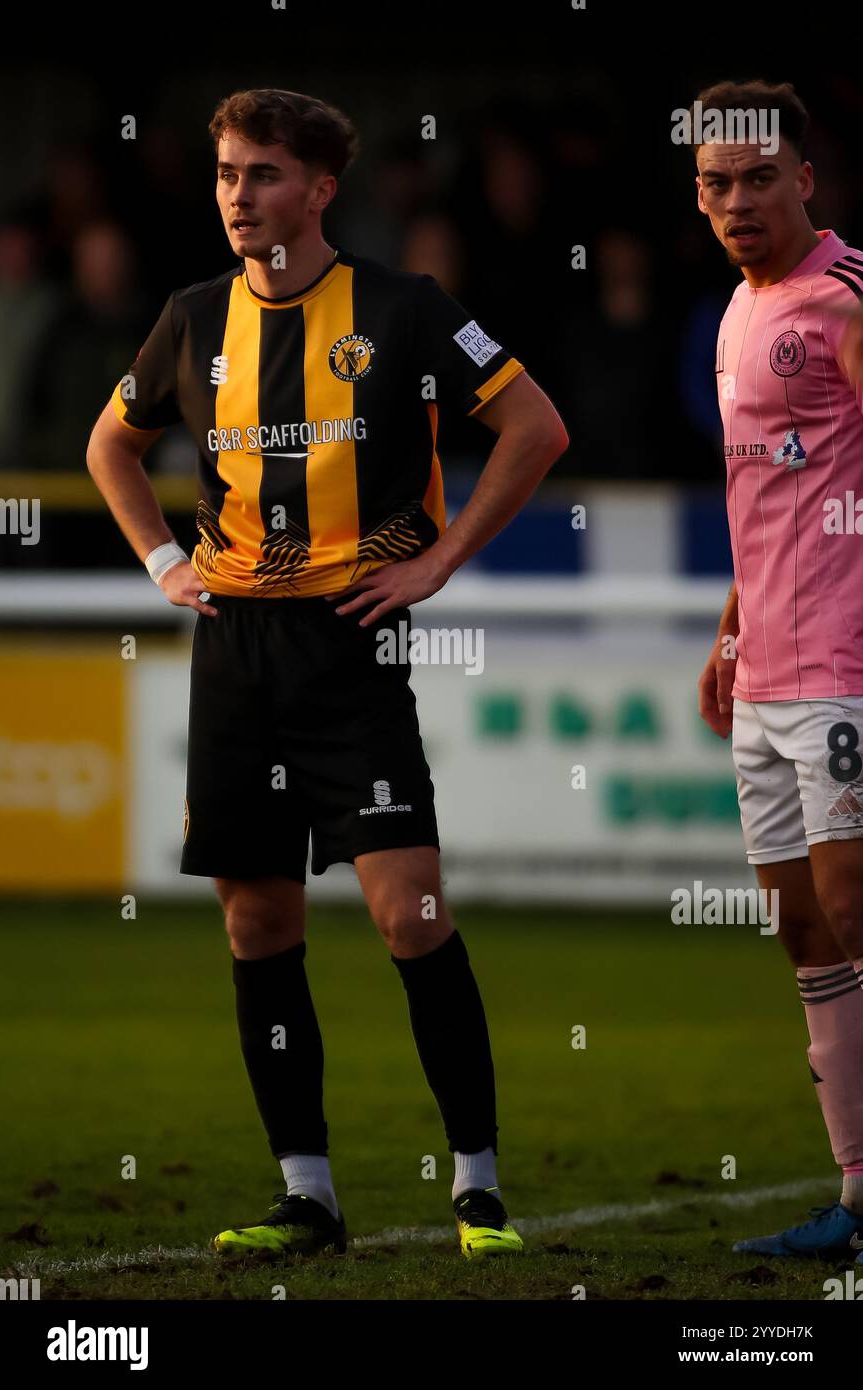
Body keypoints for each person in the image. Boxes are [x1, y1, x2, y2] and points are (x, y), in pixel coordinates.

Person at [87, 87, 568, 1262]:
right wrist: (162, 558)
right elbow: (112, 443)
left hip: (350, 640)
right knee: (257, 924)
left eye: (259, 175)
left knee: (411, 916)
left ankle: (475, 1188)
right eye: (223, 176)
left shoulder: (404, 310)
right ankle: (308, 1196)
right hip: (236, 648)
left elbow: (535, 428)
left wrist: (438, 563)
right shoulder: (193, 318)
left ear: (318, 189)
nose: (236, 197)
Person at [694, 78, 863, 1263]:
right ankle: (855, 1194)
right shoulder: (734, 310)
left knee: (856, 906)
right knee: (804, 929)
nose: (736, 201)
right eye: (713, 184)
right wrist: (728, 628)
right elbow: (764, 496)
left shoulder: (845, 300)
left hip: (846, 667)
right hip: (765, 674)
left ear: (805, 178)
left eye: (758, 178)